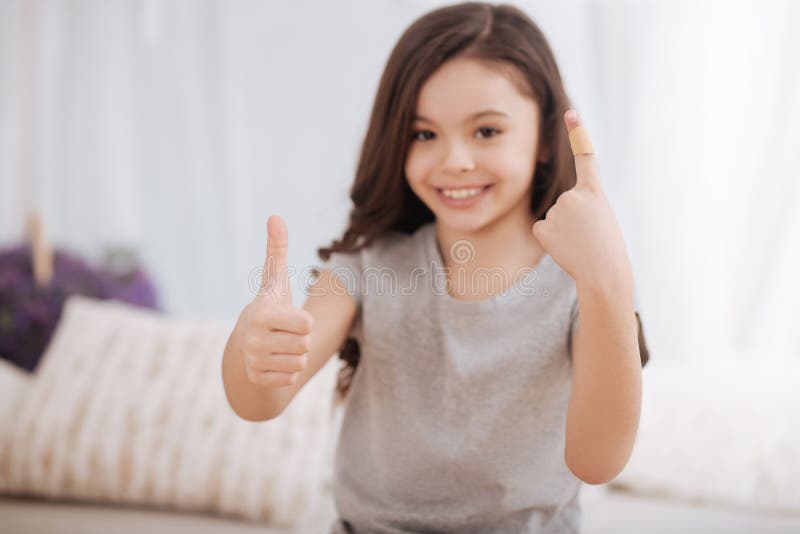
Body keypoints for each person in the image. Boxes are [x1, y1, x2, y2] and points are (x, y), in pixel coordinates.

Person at [221, 2, 650, 532]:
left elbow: (599, 462)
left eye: (486, 131)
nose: (454, 160)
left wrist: (607, 279)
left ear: (544, 138)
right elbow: (260, 402)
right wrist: (252, 346)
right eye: (424, 134)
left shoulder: (581, 288)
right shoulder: (367, 269)